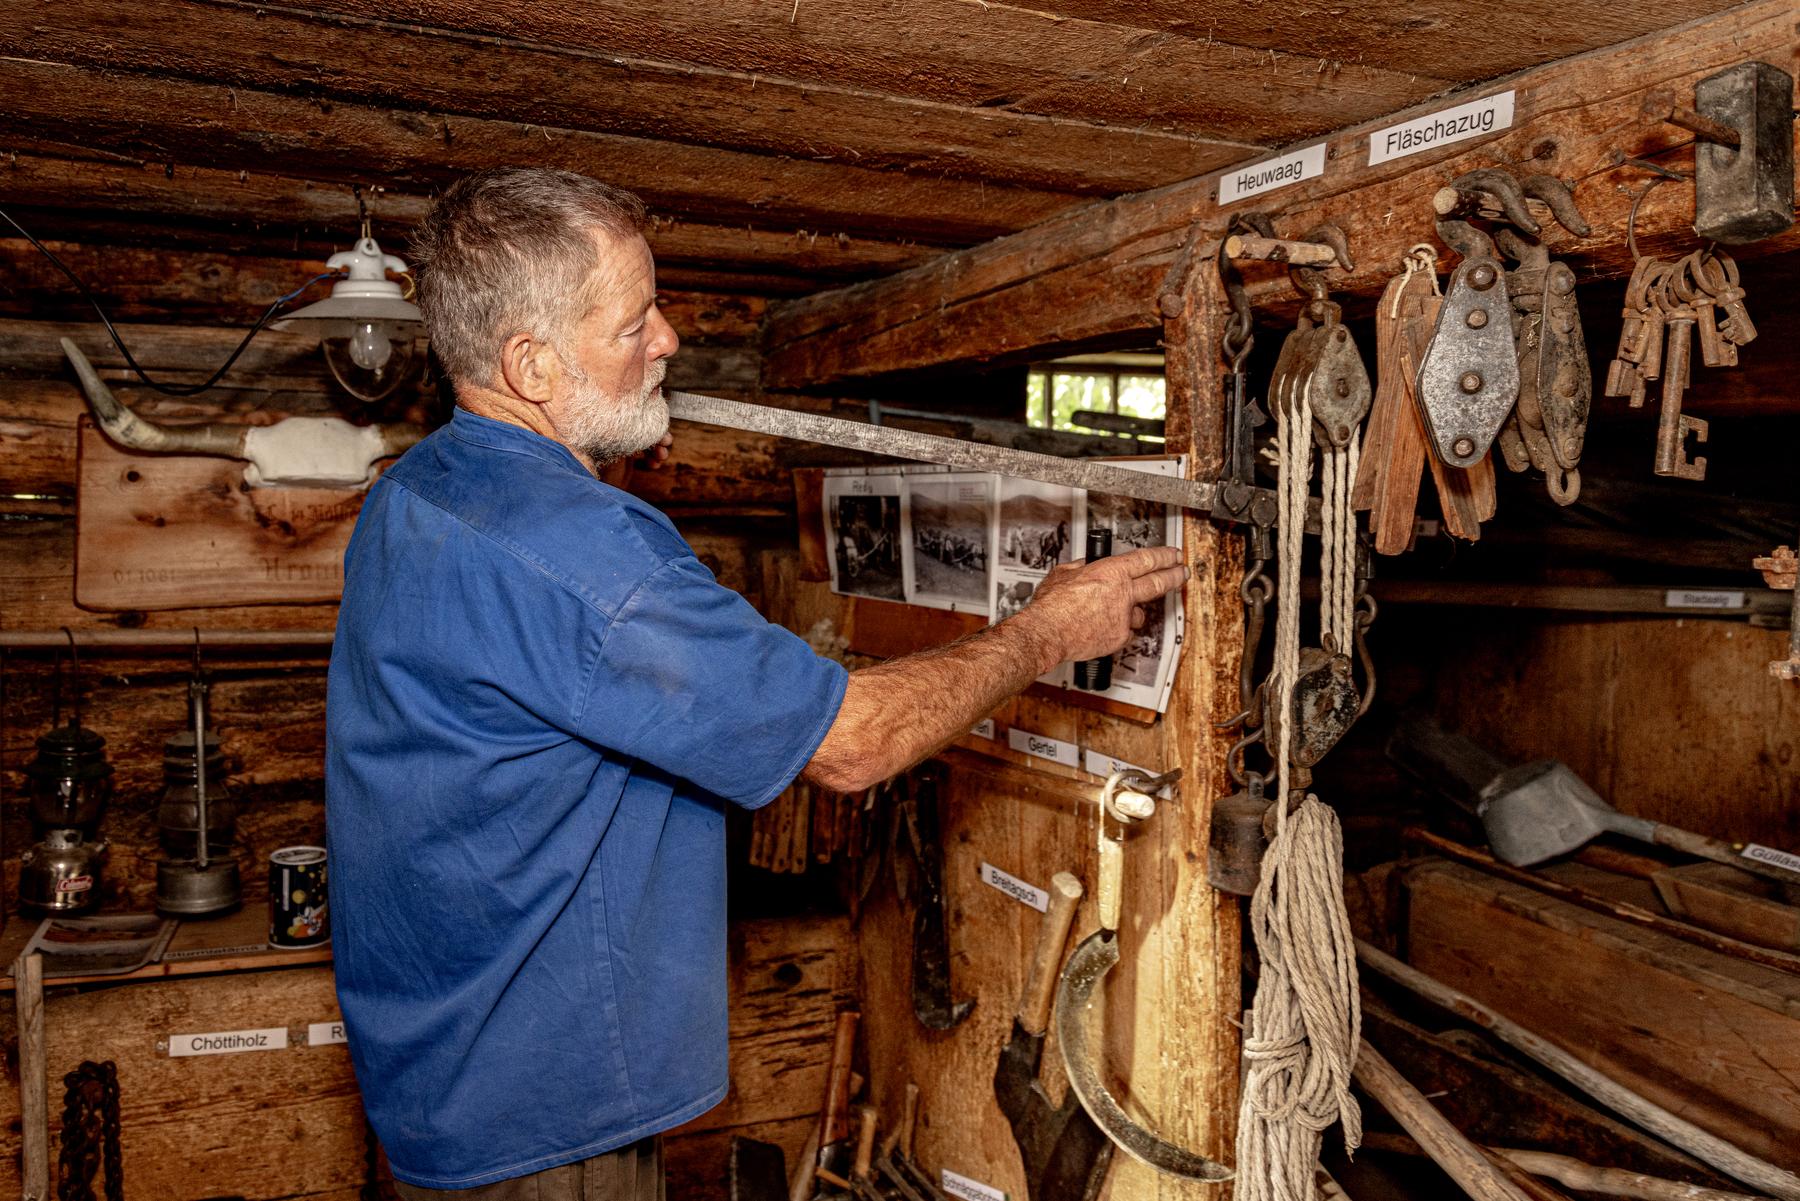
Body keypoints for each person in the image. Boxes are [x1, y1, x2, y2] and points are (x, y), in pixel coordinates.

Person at [325, 167, 1187, 1199]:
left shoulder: (416, 492)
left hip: (438, 1065)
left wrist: (593, 460)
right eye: (634, 320)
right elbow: (852, 742)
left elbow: (544, 658)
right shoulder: (588, 556)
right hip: (542, 1112)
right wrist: (1049, 628)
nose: (668, 338)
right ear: (531, 364)